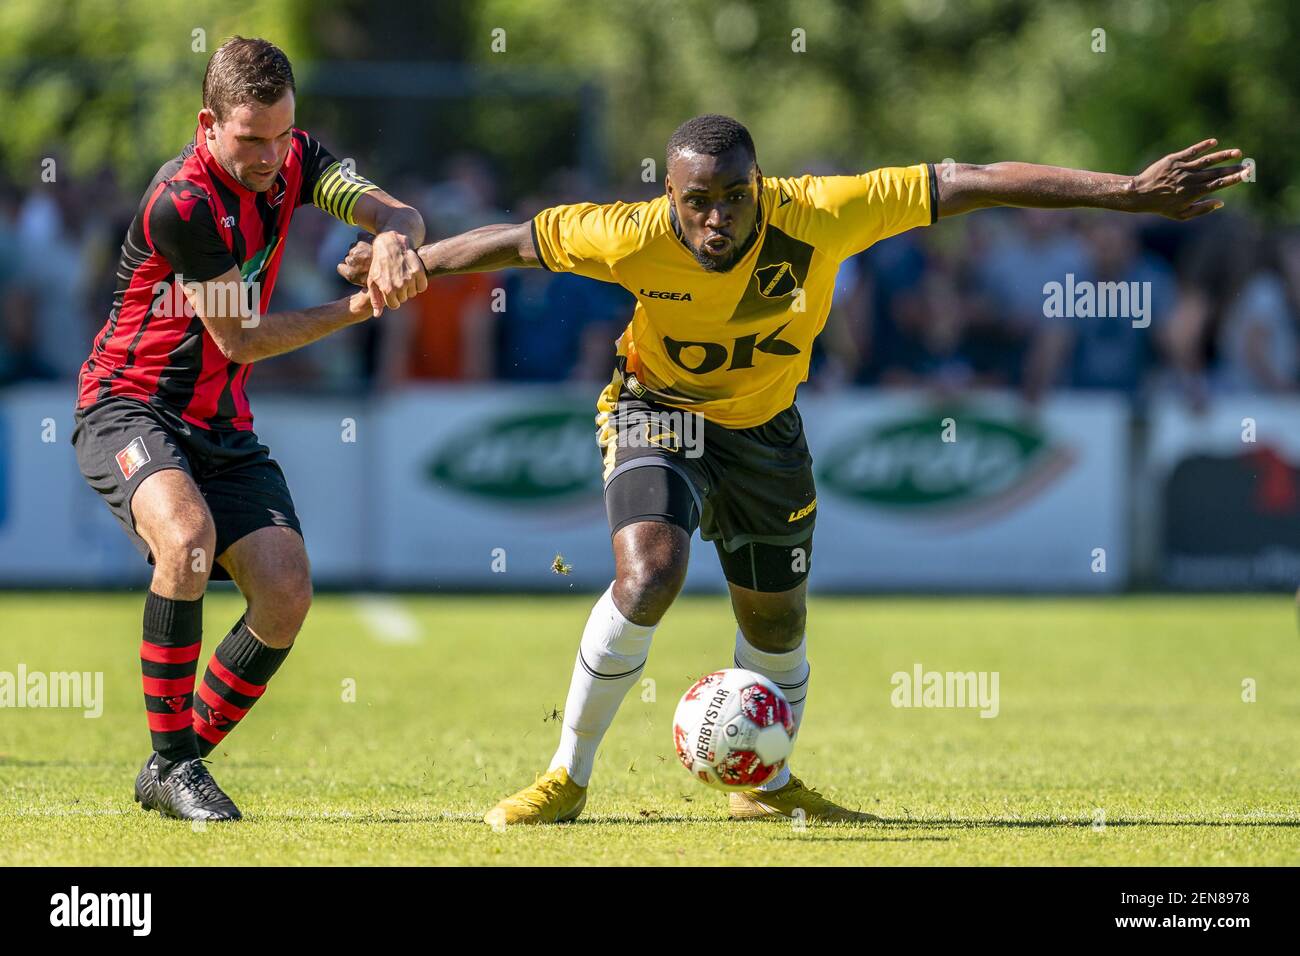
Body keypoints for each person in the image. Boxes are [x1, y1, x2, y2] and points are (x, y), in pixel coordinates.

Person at [341, 113, 1247, 825]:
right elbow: (511, 241)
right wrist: (410, 263)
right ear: (671, 195)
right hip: (659, 414)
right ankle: (565, 779)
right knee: (650, 572)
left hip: (768, 433)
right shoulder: (627, 234)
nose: (715, 218)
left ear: (759, 185)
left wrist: (1123, 192)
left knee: (775, 625)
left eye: (734, 197)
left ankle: (759, 784)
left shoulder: (824, 211)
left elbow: (966, 182)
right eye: (697, 201)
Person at [72, 36, 426, 821]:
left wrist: (396, 237)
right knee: (188, 542)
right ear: (208, 124)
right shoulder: (183, 203)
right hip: (127, 405)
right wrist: (365, 304)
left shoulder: (297, 156)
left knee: (287, 594)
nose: (272, 156)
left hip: (219, 423)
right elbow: (244, 338)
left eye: (281, 134)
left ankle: (175, 762)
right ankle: (174, 764)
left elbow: (395, 209)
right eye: (250, 138)